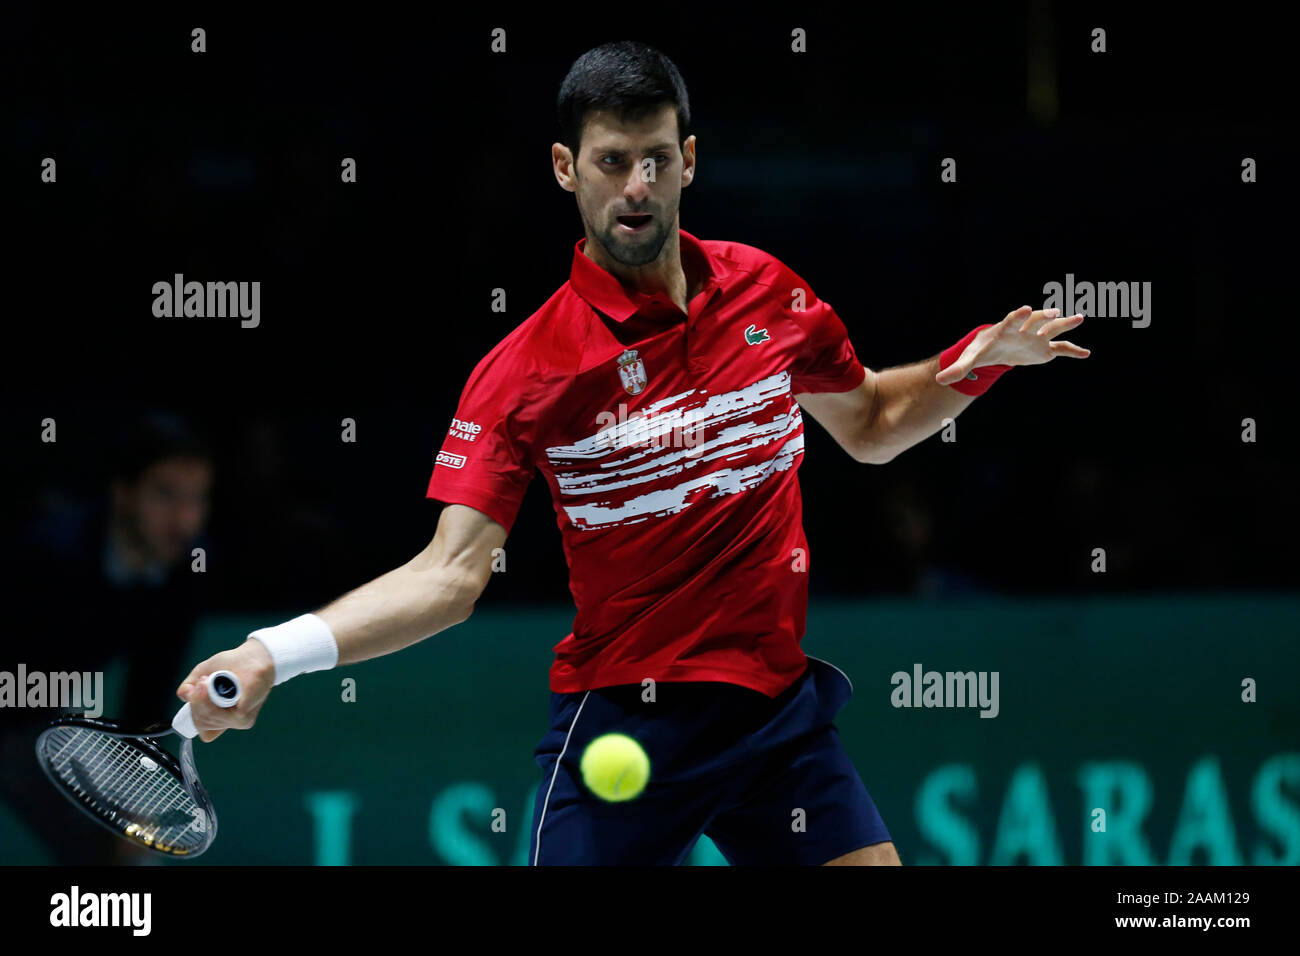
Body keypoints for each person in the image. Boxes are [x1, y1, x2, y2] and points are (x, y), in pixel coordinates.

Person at [177, 41, 1088, 866]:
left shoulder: (766, 293)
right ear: (567, 170)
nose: (638, 187)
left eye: (657, 158)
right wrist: (274, 652)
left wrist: (976, 365)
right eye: (613, 163)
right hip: (628, 726)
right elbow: (450, 577)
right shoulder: (528, 369)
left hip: (777, 719)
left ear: (688, 159)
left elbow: (872, 424)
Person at [0, 412, 214, 863]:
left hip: (41, 721)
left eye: (197, 498)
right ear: (123, 494)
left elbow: (146, 696)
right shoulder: (48, 555)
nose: (184, 517)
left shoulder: (184, 569)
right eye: (165, 494)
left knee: (135, 847)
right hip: (18, 716)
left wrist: (134, 801)